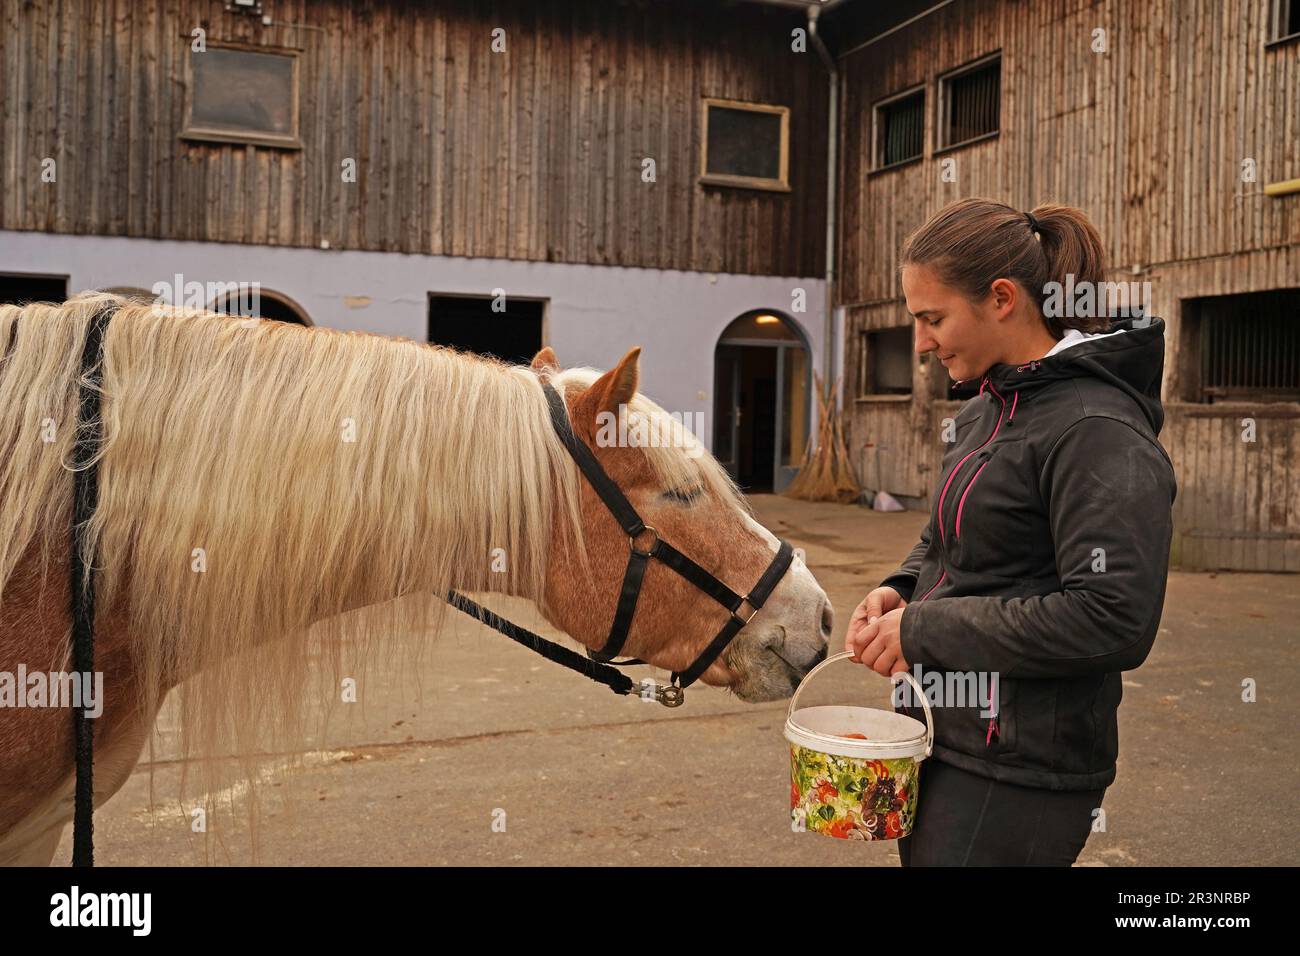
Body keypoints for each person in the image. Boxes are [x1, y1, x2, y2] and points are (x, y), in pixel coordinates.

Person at [844, 198, 1177, 866]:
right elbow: (949, 534)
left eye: (932, 318)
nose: (921, 343)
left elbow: (1112, 618)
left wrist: (924, 631)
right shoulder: (984, 412)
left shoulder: (1096, 431)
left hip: (1022, 769)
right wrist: (899, 587)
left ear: (1001, 298)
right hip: (944, 731)